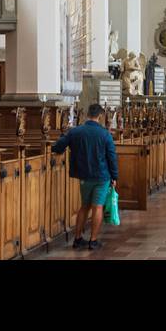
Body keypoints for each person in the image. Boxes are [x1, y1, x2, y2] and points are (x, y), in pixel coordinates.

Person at [52, 103, 119, 251]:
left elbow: (58, 146)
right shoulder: (105, 134)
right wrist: (114, 176)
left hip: (84, 176)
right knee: (97, 207)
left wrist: (56, 149)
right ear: (100, 116)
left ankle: (77, 239)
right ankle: (93, 241)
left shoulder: (76, 131)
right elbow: (111, 157)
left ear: (87, 114)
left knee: (84, 206)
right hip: (101, 176)